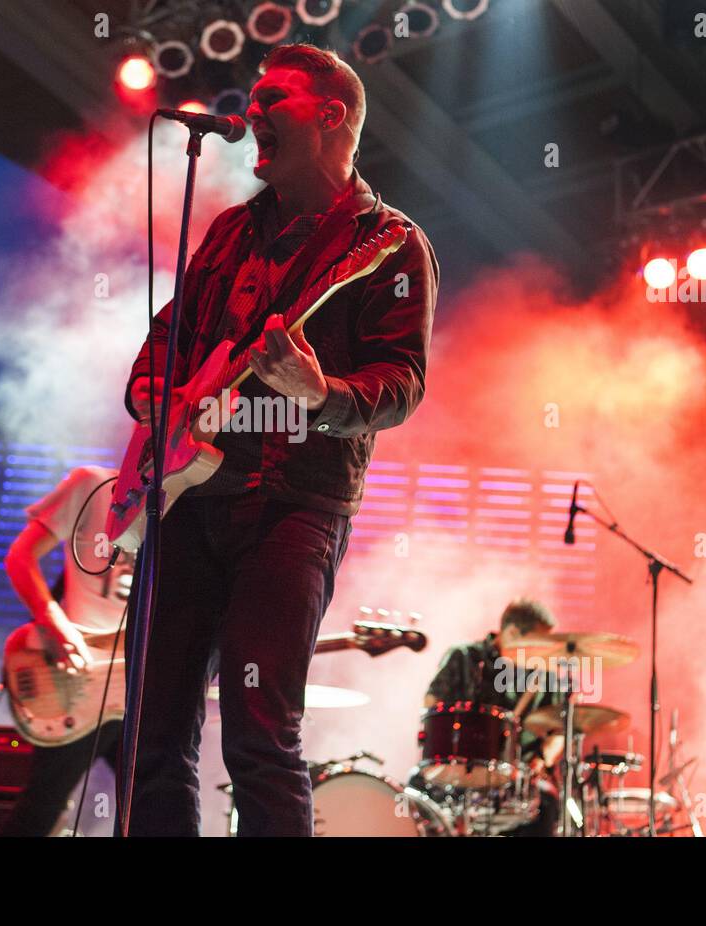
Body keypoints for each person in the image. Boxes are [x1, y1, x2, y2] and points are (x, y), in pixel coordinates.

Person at [120, 44, 438, 836]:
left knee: (260, 737)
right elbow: (171, 335)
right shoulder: (231, 231)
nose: (251, 112)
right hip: (189, 502)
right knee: (151, 735)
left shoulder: (389, 244)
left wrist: (320, 391)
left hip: (294, 504)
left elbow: (400, 384)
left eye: (273, 99)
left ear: (331, 116)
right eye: (253, 100)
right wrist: (152, 393)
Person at [1, 464, 133, 836]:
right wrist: (54, 623)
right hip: (74, 674)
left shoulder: (189, 496)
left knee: (155, 801)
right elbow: (19, 557)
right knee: (42, 807)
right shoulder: (92, 483)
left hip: (138, 689)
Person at [421, 598, 565, 836]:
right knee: (413, 795)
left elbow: (559, 731)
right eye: (539, 642)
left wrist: (540, 760)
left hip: (520, 779)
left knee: (547, 801)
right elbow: (432, 705)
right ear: (511, 633)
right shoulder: (464, 657)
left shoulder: (546, 674)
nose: (545, 649)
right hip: (456, 770)